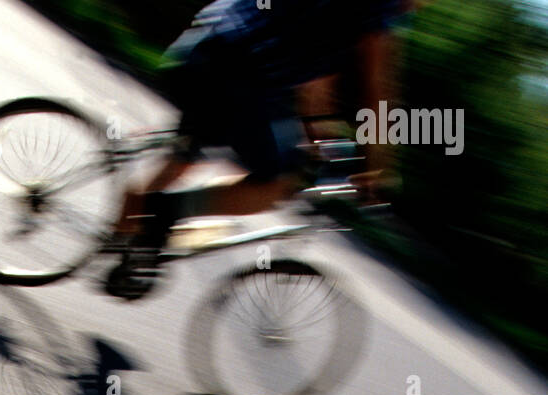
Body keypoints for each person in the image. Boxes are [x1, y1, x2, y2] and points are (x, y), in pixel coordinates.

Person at [104, 0, 405, 299]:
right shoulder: (379, 8)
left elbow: (314, 86)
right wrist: (376, 168)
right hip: (240, 77)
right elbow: (376, 89)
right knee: (276, 184)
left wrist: (316, 141)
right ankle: (162, 215)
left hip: (203, 47)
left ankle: (118, 244)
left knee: (183, 160)